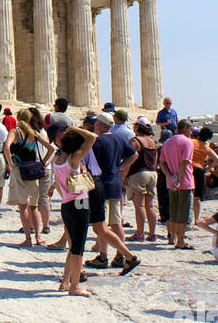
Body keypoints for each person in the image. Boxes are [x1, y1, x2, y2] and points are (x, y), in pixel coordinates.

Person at [88, 112, 140, 273]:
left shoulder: (97, 142)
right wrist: (121, 168)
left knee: (100, 224)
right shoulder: (118, 139)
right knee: (116, 223)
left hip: (101, 185)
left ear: (98, 125)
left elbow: (91, 164)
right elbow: (134, 154)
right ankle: (119, 256)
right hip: (116, 184)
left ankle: (103, 256)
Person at [52, 124, 99, 297]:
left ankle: (65, 281)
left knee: (73, 246)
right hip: (79, 204)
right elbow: (92, 137)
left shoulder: (57, 161)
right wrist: (73, 128)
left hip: (66, 205)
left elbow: (57, 184)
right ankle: (75, 286)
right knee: (78, 247)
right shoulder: (74, 159)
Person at [6, 117, 54, 247]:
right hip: (34, 171)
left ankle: (28, 239)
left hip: (20, 170)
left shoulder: (15, 132)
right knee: (34, 206)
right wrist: (43, 162)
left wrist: (10, 164)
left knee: (23, 206)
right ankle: (38, 237)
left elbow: (6, 146)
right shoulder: (35, 133)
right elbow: (51, 148)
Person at [160, 120, 196, 249]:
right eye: (190, 129)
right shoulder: (187, 142)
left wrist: (170, 177)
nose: (191, 132)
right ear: (185, 128)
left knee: (173, 211)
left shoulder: (167, 142)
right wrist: (179, 180)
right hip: (185, 181)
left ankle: (172, 237)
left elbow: (162, 163)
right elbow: (185, 162)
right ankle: (180, 240)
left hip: (171, 182)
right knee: (183, 212)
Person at [124, 119, 159, 243]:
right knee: (150, 205)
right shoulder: (152, 141)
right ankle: (152, 234)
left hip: (139, 173)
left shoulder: (135, 141)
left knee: (139, 205)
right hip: (152, 173)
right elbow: (155, 159)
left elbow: (129, 159)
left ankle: (140, 233)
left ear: (138, 127)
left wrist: (124, 176)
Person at [190, 126, 218, 223]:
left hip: (189, 168)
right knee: (197, 196)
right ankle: (196, 219)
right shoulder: (206, 147)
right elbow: (216, 159)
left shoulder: (191, 142)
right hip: (200, 170)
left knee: (187, 194)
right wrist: (208, 168)